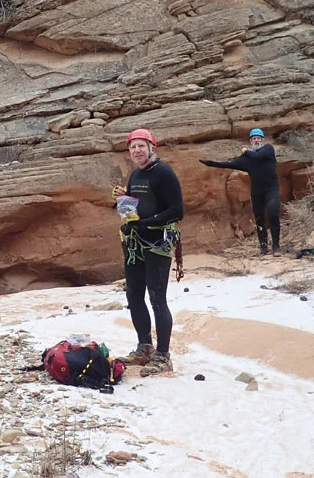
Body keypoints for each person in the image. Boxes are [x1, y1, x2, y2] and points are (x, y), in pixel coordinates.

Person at [112, 128, 184, 376]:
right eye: (133, 147)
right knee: (134, 296)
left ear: (152, 148)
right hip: (136, 242)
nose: (137, 151)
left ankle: (163, 356)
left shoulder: (164, 173)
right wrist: (123, 201)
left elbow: (177, 210)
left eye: (141, 146)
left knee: (156, 298)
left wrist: (147, 222)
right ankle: (144, 348)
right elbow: (135, 211)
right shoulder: (135, 175)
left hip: (158, 242)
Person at [200, 128, 281, 254]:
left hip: (271, 189)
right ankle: (264, 247)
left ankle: (276, 247)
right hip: (257, 192)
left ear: (262, 140)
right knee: (259, 218)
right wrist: (209, 163)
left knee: (272, 212)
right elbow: (228, 164)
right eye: (253, 138)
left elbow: (257, 156)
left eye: (258, 138)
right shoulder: (247, 159)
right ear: (250, 141)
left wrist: (245, 151)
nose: (256, 140)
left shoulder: (268, 149)